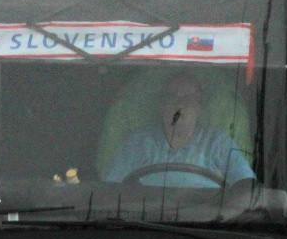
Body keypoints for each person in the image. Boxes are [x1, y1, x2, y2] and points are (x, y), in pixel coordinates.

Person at [102, 71, 254, 188]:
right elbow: (112, 190)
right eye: (172, 97)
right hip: (144, 224)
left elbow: (246, 188)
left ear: (199, 107)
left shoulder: (218, 143)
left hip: (207, 226)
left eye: (188, 98)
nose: (179, 104)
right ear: (161, 105)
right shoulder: (138, 143)